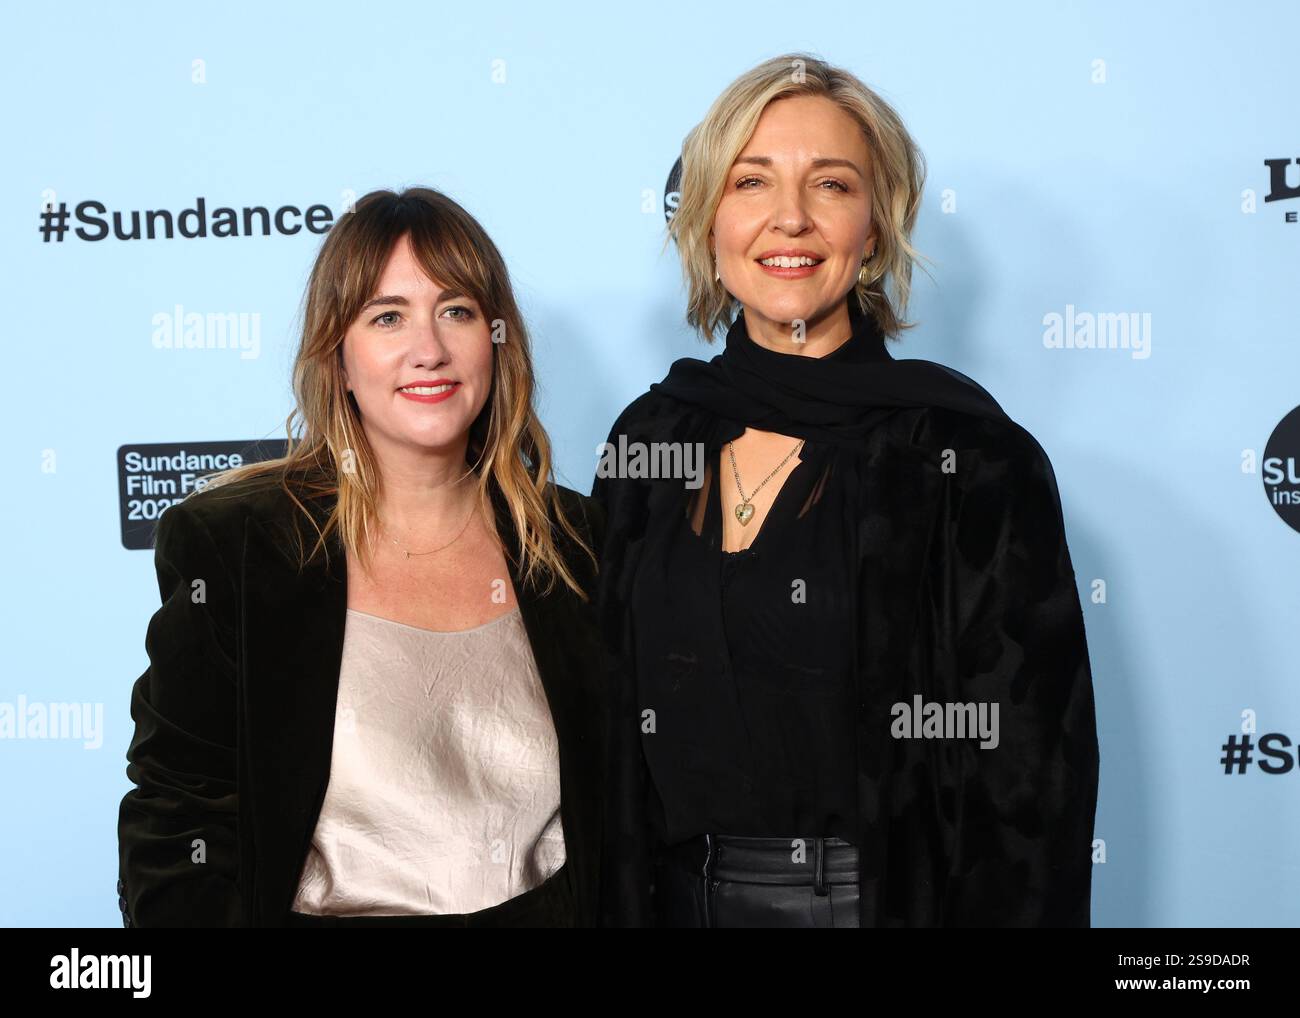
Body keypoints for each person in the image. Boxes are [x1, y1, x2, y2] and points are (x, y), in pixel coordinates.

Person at [592, 53, 1099, 927]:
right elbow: (599, 740)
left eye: (830, 185)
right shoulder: (652, 441)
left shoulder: (968, 457)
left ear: (875, 228)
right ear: (707, 219)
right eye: (752, 182)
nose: (789, 218)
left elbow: (1030, 784)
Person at [117, 187, 606, 927]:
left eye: (458, 311)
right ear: (337, 357)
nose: (429, 349)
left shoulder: (578, 543)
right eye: (387, 317)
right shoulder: (238, 546)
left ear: (496, 340)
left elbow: (627, 818)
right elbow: (177, 820)